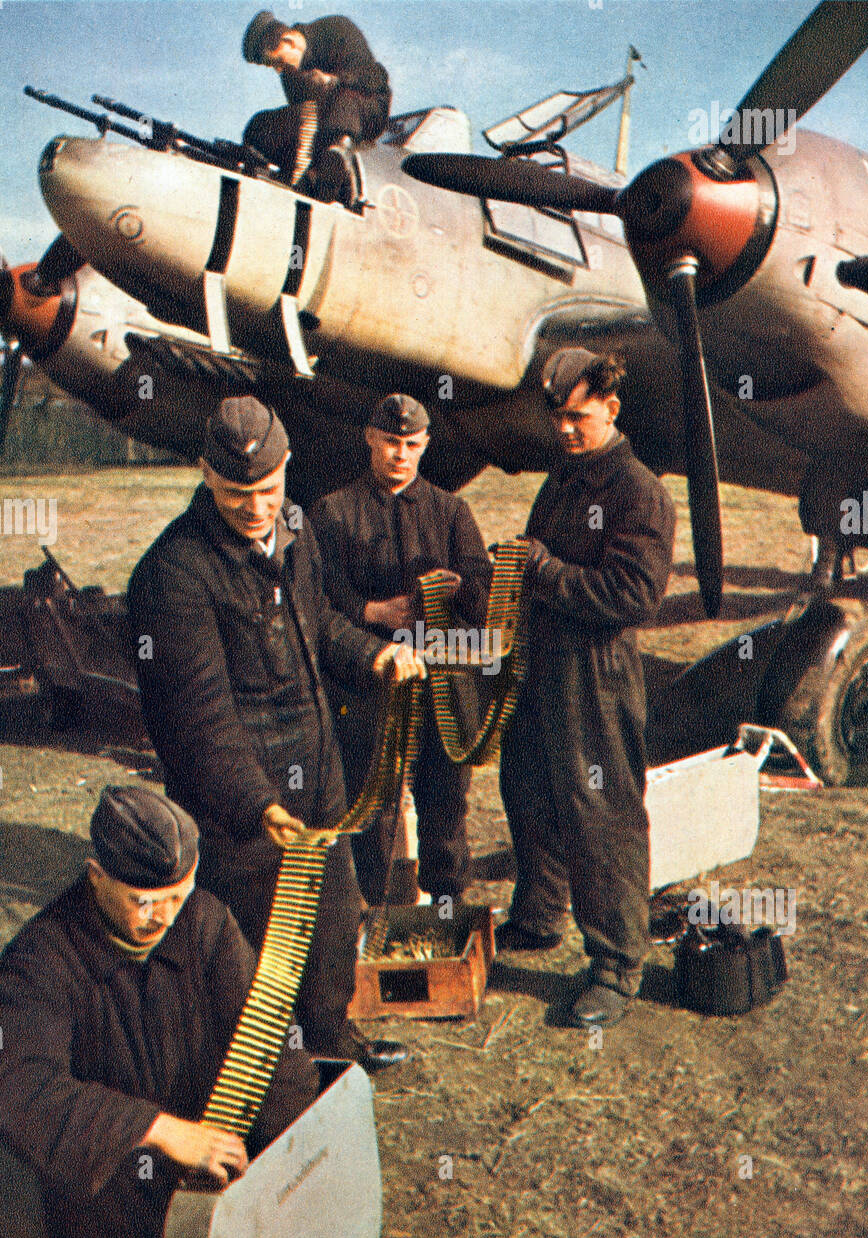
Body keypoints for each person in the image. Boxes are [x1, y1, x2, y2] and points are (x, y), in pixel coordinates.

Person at [127, 396, 425, 1070]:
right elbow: (196, 720)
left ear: (288, 468)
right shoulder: (172, 574)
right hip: (243, 805)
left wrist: (373, 654)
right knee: (256, 955)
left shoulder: (296, 529)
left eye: (267, 488)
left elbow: (318, 625)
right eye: (236, 493)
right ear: (204, 473)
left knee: (328, 924)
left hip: (319, 775)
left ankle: (332, 1047)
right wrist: (258, 806)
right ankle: (273, 1082)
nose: (257, 508)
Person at [0, 785, 321, 1238]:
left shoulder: (205, 923)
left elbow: (272, 1041)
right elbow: (18, 1089)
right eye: (144, 902)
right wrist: (156, 1130)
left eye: (177, 897)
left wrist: (274, 1165)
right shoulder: (39, 960)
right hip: (105, 1209)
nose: (163, 917)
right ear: (96, 877)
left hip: (214, 1186)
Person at [498, 349, 676, 1028]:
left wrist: (541, 571)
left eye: (578, 415)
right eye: (558, 417)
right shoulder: (566, 479)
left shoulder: (638, 491)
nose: (566, 429)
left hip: (597, 675)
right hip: (543, 661)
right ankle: (540, 918)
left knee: (601, 813)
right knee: (530, 788)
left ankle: (616, 966)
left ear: (611, 408)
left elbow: (632, 596)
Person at [310, 393, 492, 908]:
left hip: (441, 681)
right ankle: (380, 908)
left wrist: (458, 588)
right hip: (368, 679)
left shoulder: (451, 512)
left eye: (412, 444)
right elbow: (316, 594)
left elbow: (484, 598)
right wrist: (374, 612)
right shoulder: (334, 512)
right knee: (375, 802)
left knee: (446, 798)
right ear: (370, 438)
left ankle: (447, 903)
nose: (400, 454)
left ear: (425, 445)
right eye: (390, 442)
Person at [242, 10, 391, 201]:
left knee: (343, 101)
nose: (279, 69)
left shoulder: (336, 29)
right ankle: (305, 176)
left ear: (289, 41)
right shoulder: (289, 75)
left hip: (367, 109)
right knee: (260, 124)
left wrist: (333, 81)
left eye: (278, 62)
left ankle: (338, 160)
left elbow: (375, 78)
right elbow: (305, 119)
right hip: (324, 128)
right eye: (274, 66)